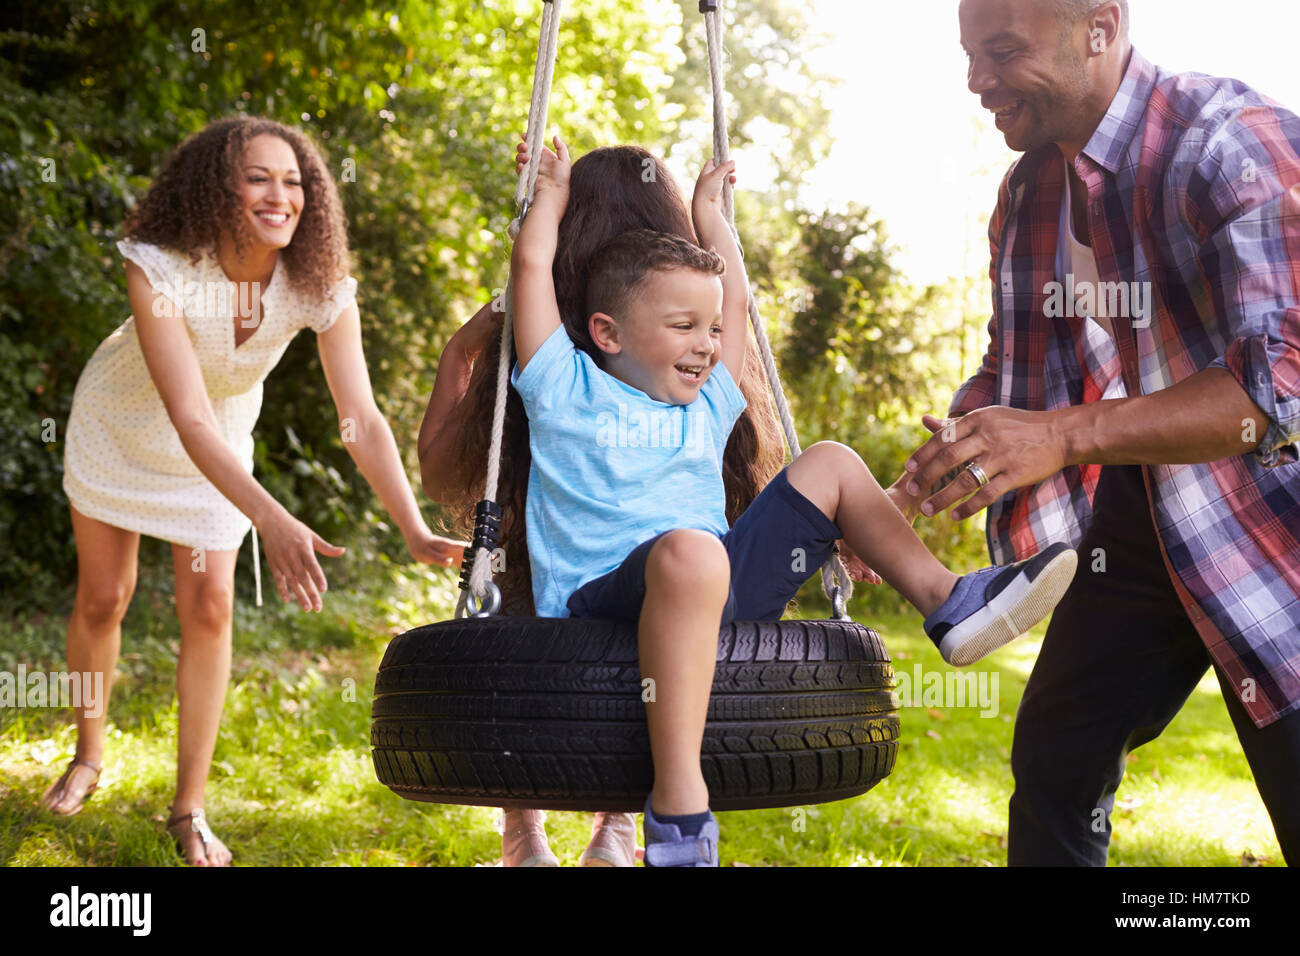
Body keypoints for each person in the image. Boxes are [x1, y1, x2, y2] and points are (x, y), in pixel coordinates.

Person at [509, 132, 1078, 866]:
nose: (708, 344)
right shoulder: (562, 387)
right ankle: (679, 812)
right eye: (683, 327)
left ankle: (951, 602)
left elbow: (736, 301)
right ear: (606, 332)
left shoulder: (708, 404)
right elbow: (531, 265)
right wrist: (548, 194)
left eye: (711, 331)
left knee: (832, 463)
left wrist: (713, 219)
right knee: (689, 551)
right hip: (603, 605)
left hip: (715, 587)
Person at [900, 0, 1300, 864]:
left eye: (1003, 51)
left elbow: (1277, 393)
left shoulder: (1228, 141)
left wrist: (1067, 436)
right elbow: (1021, 374)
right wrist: (914, 489)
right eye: (970, 55)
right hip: (1147, 505)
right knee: (1058, 756)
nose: (978, 82)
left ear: (1100, 27)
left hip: (1280, 512)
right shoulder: (1030, 191)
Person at [41, 116, 466, 865]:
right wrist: (271, 517)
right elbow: (185, 414)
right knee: (105, 597)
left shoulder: (318, 283)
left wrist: (410, 525)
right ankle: (87, 754)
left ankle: (189, 809)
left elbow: (359, 418)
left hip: (218, 444)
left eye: (295, 181)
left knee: (209, 604)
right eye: (259, 177)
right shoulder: (162, 265)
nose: (282, 195)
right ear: (219, 187)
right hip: (124, 425)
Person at [420, 141, 806, 866]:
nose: (702, 339)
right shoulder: (664, 344)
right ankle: (614, 824)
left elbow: (437, 464)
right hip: (651, 569)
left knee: (531, 606)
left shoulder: (559, 346)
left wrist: (461, 353)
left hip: (575, 572)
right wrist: (711, 220)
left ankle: (529, 832)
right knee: (657, 601)